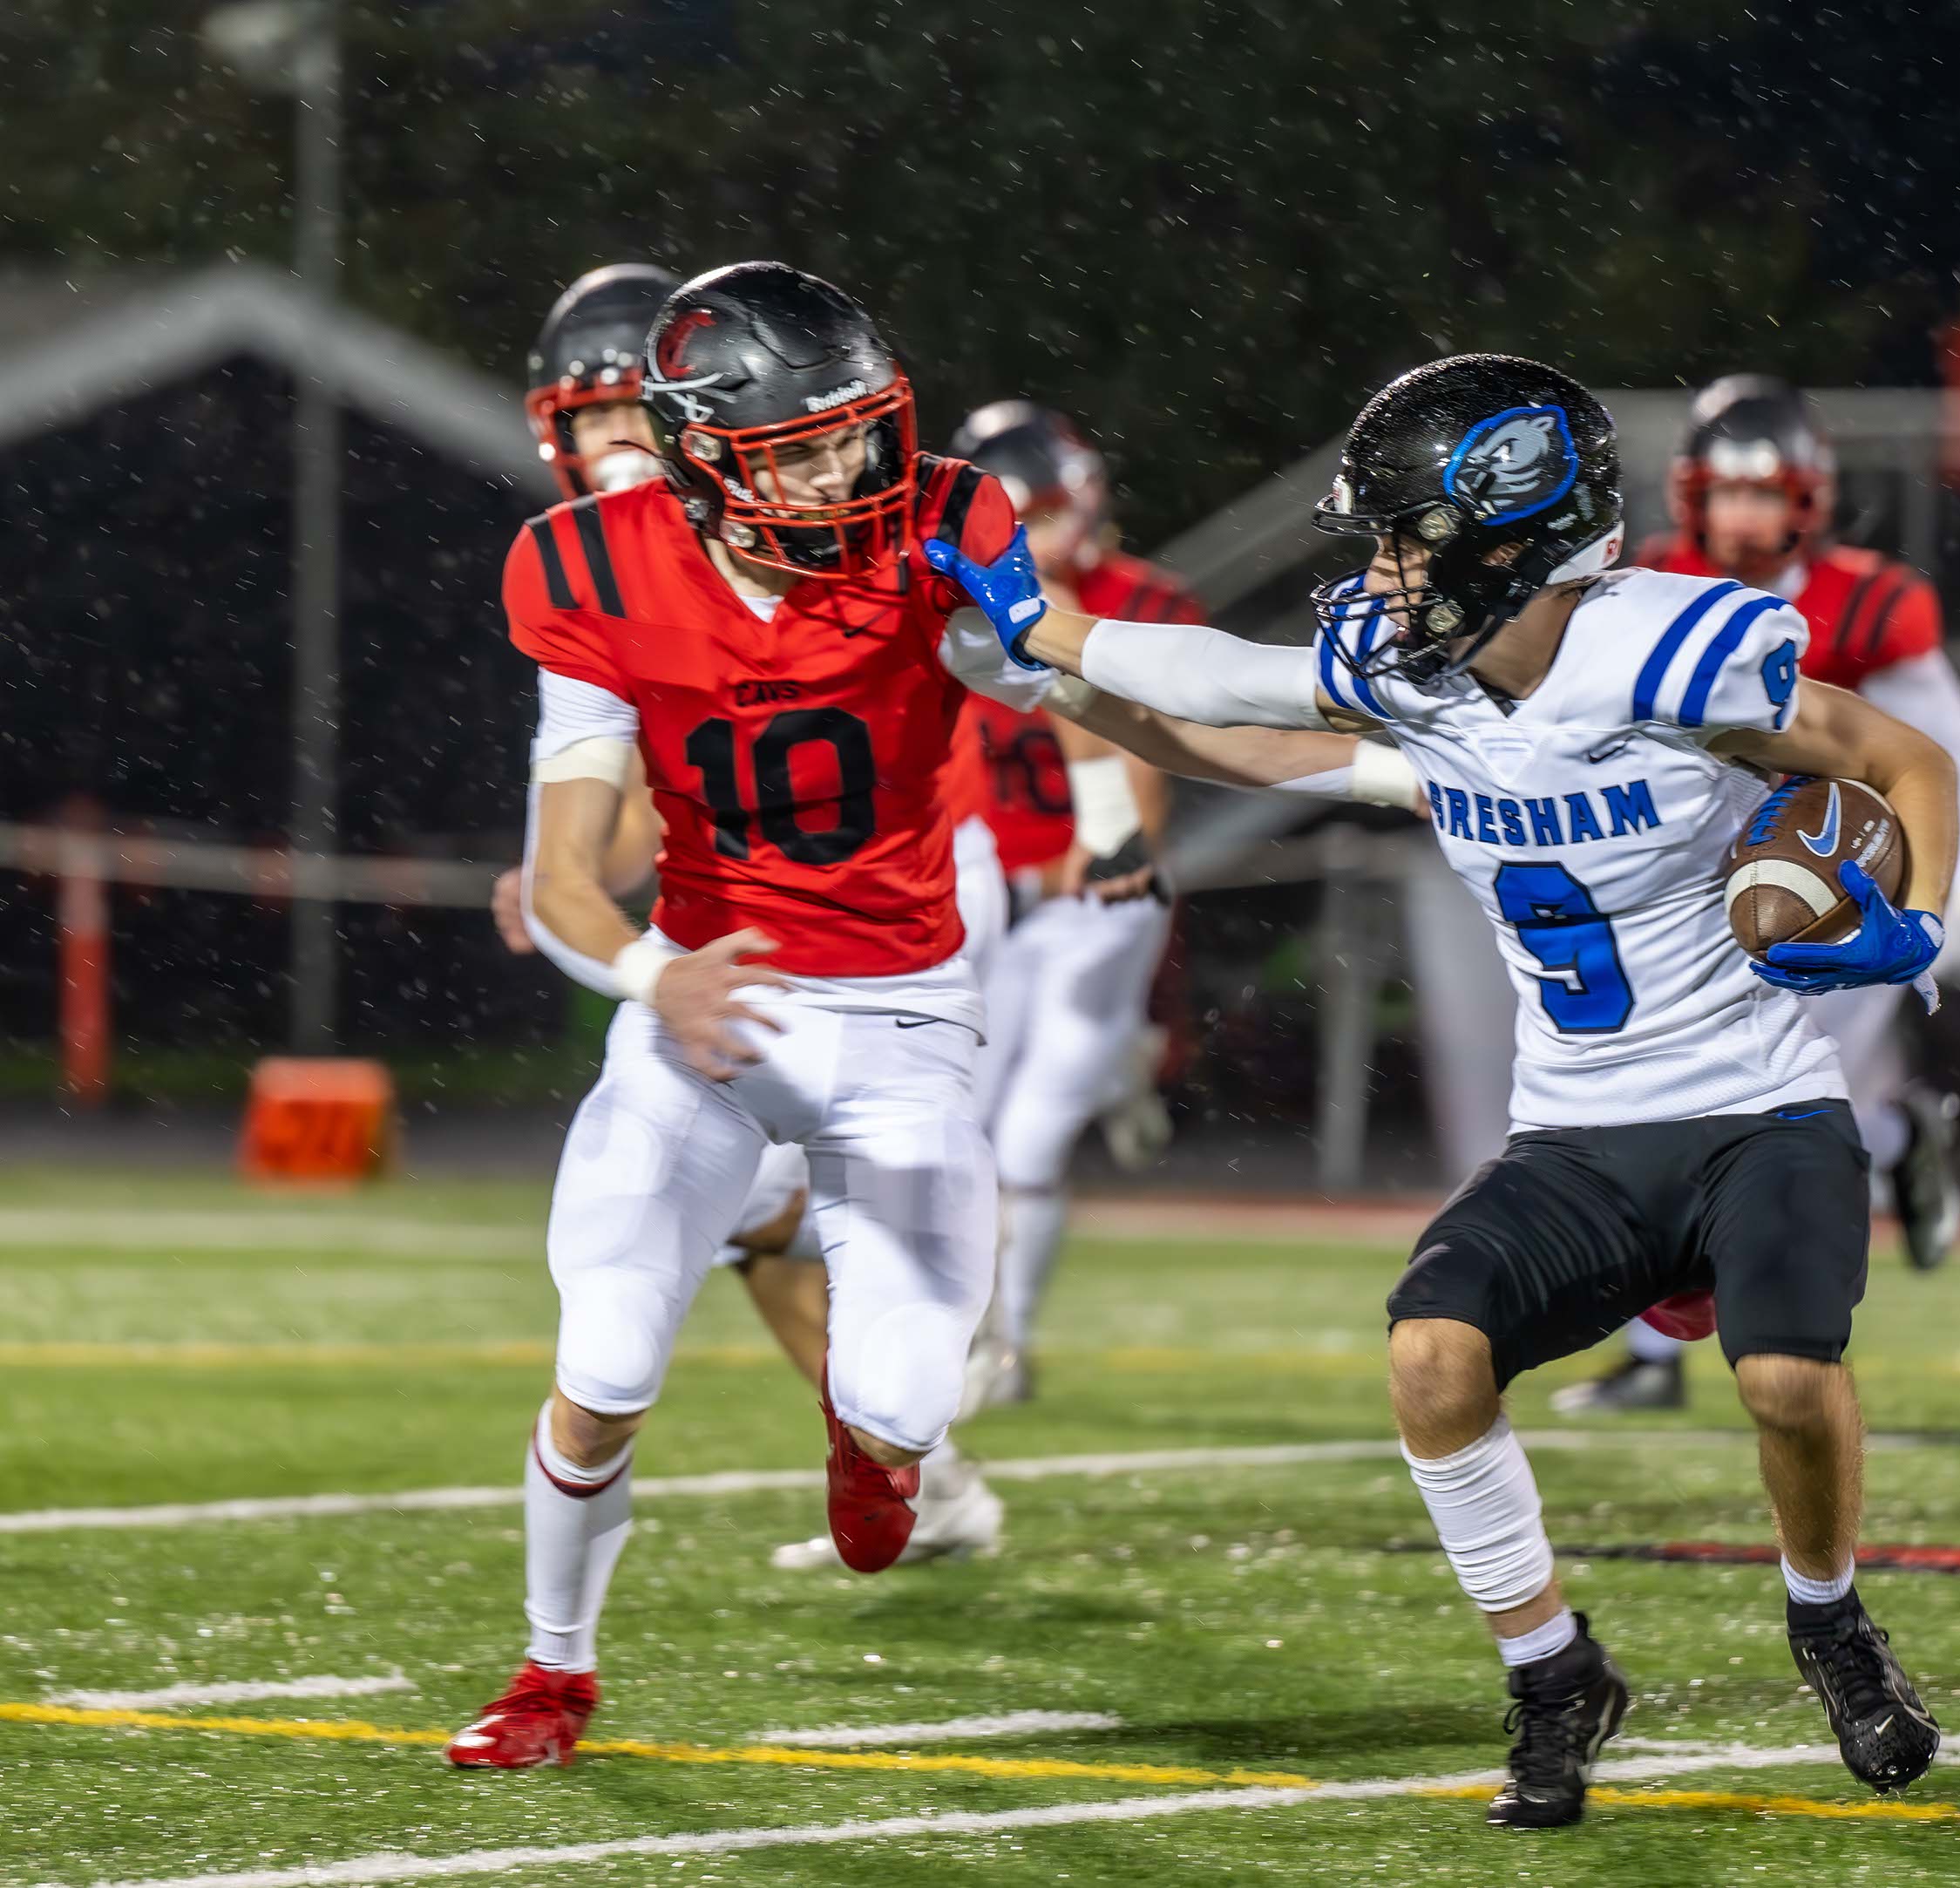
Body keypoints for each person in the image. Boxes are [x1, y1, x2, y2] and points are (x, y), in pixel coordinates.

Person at [931, 353, 1959, 1829]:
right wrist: (1048, 658)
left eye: (1410, 535)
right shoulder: (1417, 677)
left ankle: (1830, 1618)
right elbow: (1235, 700)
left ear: (1512, 537)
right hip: (1580, 1128)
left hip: (1756, 1104)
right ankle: (1554, 1673)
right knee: (1430, 1354)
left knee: (1788, 1381)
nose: (1386, 570)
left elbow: (1901, 755)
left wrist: (1917, 923)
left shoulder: (1662, 651)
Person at [452, 261, 1410, 1768]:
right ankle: (550, 1670)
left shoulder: (937, 535)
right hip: (714, 1013)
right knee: (610, 1354)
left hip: (904, 1012)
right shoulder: (589, 569)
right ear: (707, 455)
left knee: (904, 1399)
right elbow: (569, 879)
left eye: (861, 433)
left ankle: (872, 1446)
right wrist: (658, 979)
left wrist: (1381, 754)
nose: (852, 473)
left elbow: (1131, 700)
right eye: (809, 447)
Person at [498, 263, 1011, 1569]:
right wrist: (574, 885)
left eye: (628, 417)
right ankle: (908, 1451)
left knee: (769, 1217)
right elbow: (646, 802)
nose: (611, 451)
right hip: (749, 938)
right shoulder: (599, 567)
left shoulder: (870, 514)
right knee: (732, 1233)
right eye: (592, 422)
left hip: (901, 910)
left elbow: (1085, 679)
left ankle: (906, 1428)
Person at [1552, 375, 1960, 1416]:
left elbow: (1955, 754)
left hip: (1839, 886)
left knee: (1750, 1103)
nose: (1744, 517)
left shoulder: (1867, 600)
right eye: (1727, 493)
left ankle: (1670, 1351)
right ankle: (1896, 1141)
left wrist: (1959, 898)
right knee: (1692, 1093)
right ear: (1689, 497)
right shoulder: (1644, 586)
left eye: (1765, 494)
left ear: (1808, 498)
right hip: (1693, 889)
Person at [947, 401, 1194, 1407]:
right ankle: (1118, 1065)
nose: (1044, 534)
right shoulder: (954, 606)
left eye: (1047, 509)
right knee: (960, 1124)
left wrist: (1111, 848)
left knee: (1029, 1139)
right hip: (989, 903)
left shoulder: (1140, 601)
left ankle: (1008, 1349)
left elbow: (1148, 756)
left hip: (1097, 898)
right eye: (1023, 515)